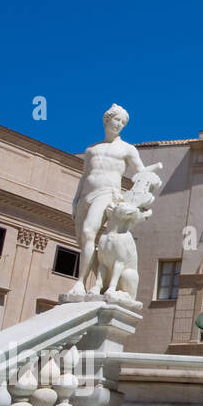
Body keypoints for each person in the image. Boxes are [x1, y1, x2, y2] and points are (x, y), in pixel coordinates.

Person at [69, 105, 162, 297]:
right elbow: (84, 176)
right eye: (116, 120)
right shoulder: (92, 149)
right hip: (86, 194)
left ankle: (80, 283)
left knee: (89, 232)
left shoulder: (127, 149)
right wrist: (76, 200)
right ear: (107, 120)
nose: (119, 124)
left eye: (122, 122)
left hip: (107, 193)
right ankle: (99, 283)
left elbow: (140, 172)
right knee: (83, 239)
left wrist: (151, 179)